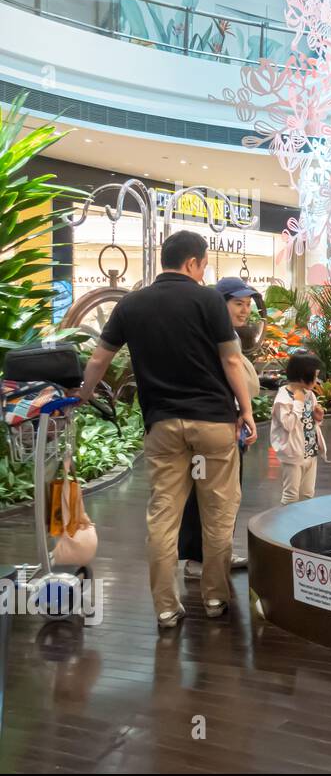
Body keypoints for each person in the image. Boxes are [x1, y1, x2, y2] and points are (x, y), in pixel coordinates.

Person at [79, 230, 256, 628]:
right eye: (204, 263)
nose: (204, 270)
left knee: (163, 515)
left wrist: (83, 396)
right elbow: (230, 361)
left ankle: (165, 607)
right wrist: (245, 410)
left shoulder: (131, 303)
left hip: (161, 424)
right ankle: (214, 599)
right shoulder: (208, 299)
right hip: (212, 422)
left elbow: (98, 359)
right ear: (193, 262)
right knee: (218, 512)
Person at [179, 276, 263, 579]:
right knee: (210, 493)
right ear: (219, 303)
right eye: (238, 304)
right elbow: (229, 372)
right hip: (213, 423)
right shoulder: (216, 336)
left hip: (222, 420)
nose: (244, 311)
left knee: (223, 494)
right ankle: (199, 560)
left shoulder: (222, 333)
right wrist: (246, 411)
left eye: (248, 305)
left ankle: (216, 554)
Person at [270, 351, 327, 504]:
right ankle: (286, 526)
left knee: (307, 495)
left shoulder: (309, 394)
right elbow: (288, 425)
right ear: (303, 378)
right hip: (293, 455)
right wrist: (298, 403)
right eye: (314, 376)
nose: (317, 380)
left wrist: (317, 418)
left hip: (310, 451)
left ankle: (304, 526)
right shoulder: (283, 398)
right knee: (291, 496)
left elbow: (307, 421)